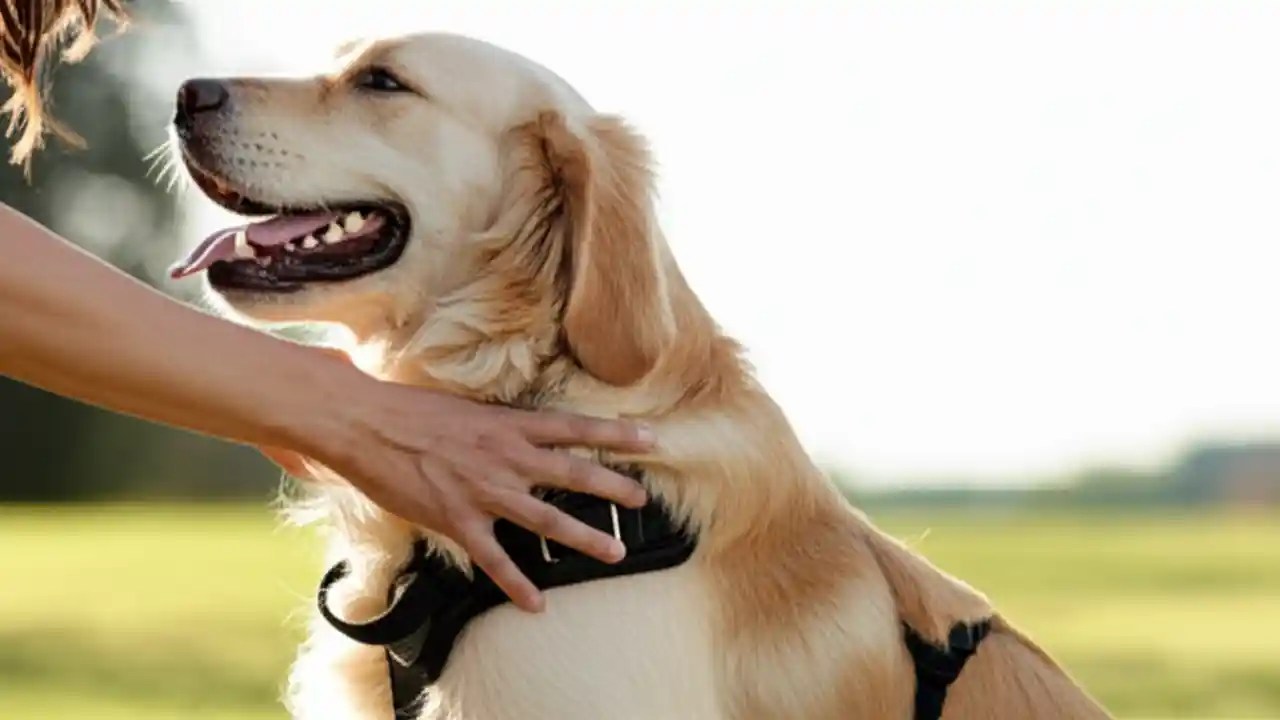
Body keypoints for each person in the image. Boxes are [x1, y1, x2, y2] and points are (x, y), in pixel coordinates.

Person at [0, 1, 652, 613]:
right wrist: (346, 413)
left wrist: (343, 414)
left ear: (551, 196)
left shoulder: (638, 537)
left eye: (381, 85)